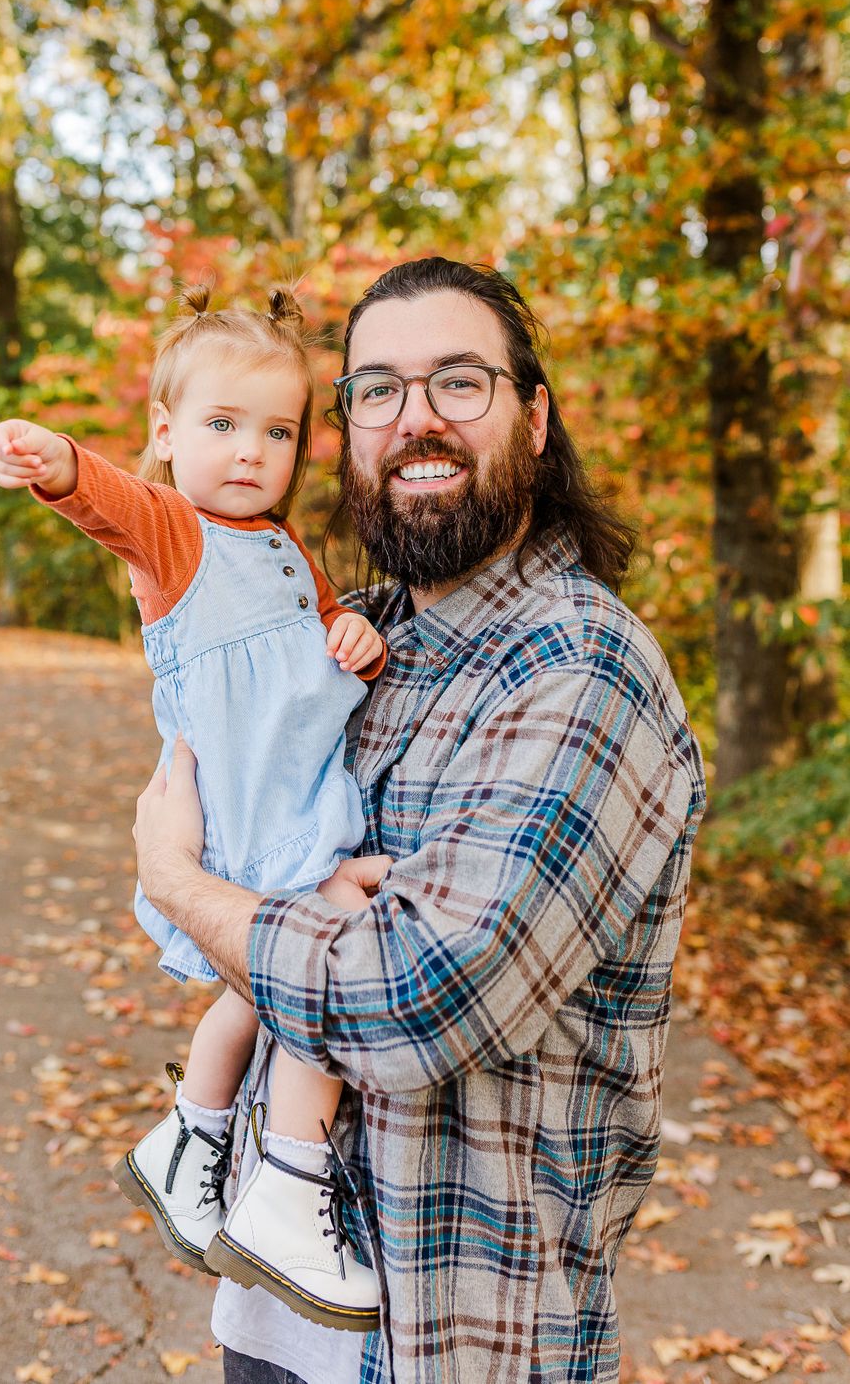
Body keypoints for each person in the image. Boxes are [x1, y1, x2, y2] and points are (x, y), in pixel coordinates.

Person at [131, 258, 708, 1384]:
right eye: (377, 392)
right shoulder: (356, 634)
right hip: (277, 1309)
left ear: (533, 419)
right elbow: (240, 804)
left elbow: (413, 998)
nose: (416, 420)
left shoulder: (578, 667)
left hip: (454, 1341)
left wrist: (185, 887)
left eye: (459, 381)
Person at [0, 285, 387, 1331]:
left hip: (298, 802)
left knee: (257, 998)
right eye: (221, 425)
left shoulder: (287, 549)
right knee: (314, 974)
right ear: (167, 434)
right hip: (250, 822)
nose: (251, 452)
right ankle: (292, 1187)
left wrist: (351, 635)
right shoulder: (174, 532)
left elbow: (323, 622)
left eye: (278, 431)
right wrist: (53, 459)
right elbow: (102, 498)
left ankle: (190, 1139)